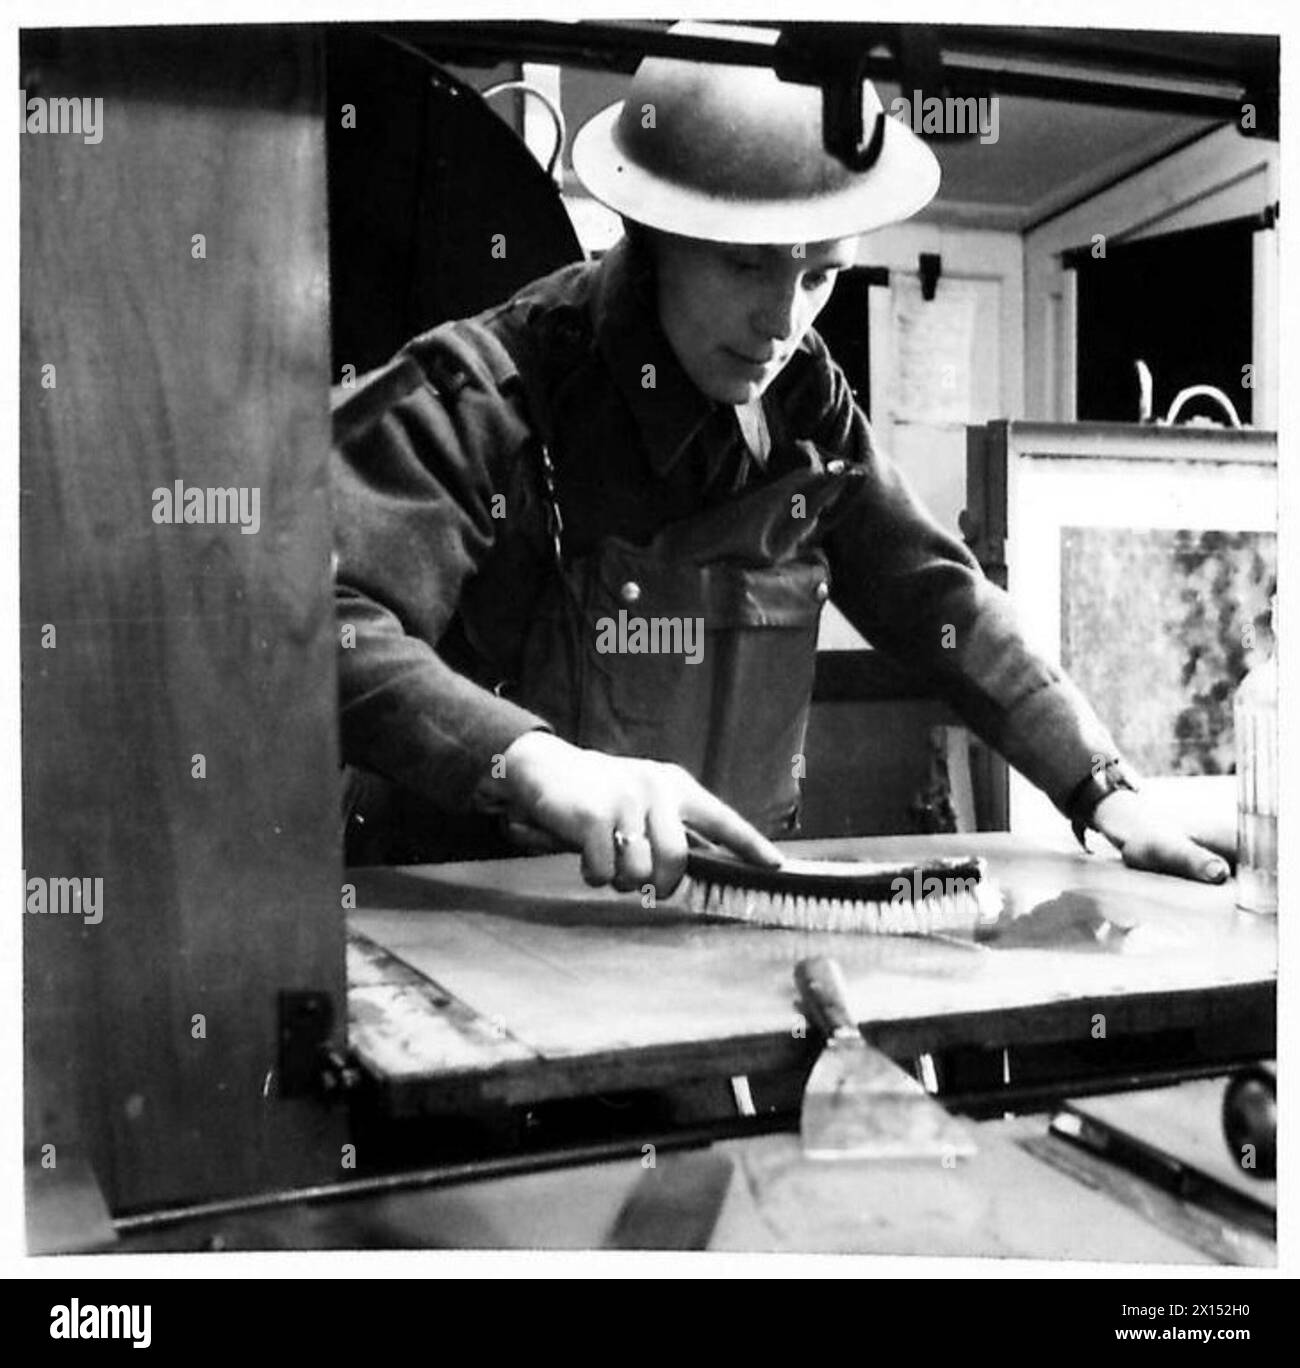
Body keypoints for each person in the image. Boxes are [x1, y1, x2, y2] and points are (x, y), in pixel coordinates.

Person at [332, 27, 1231, 899]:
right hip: (471, 923)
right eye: (745, 264)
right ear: (649, 231)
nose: (783, 321)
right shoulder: (484, 394)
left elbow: (937, 602)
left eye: (820, 276)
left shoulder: (805, 405)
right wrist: (531, 762)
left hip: (709, 925)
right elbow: (313, 624)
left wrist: (1102, 787)